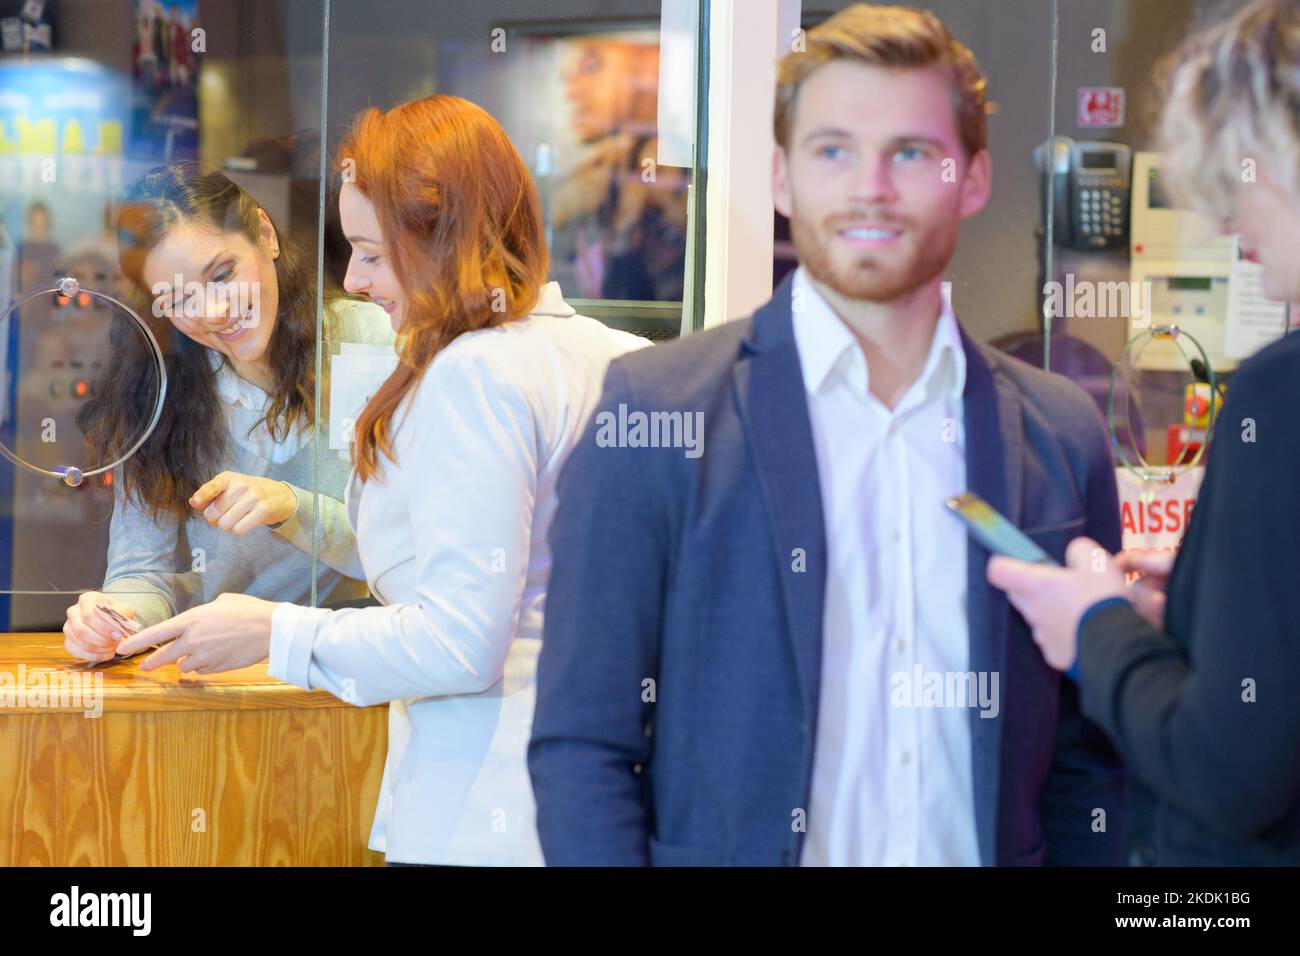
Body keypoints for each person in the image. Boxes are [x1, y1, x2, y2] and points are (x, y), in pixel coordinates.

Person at [529, 3, 1126, 867]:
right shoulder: (654, 412)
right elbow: (583, 745)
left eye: (912, 153)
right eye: (833, 150)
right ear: (782, 178)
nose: (869, 188)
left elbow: (1087, 762)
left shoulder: (1060, 433)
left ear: (976, 177)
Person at [117, 95, 651, 866]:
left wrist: (274, 632)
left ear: (443, 236)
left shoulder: (472, 372)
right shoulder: (613, 353)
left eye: (371, 251)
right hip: (596, 802)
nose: (358, 280)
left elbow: (462, 640)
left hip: (486, 811)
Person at [986, 0, 1300, 866]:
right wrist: (1202, 612)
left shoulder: (1281, 391)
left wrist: (1095, 627)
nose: (1231, 225)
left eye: (1237, 182)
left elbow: (1229, 769)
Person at [65, 162, 390, 662]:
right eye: (177, 299)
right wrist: (110, 619)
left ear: (266, 234)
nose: (212, 312)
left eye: (222, 275)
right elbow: (141, 575)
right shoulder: (156, 388)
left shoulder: (364, 345)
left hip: (346, 671)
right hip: (216, 681)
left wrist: (288, 505)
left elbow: (391, 553)